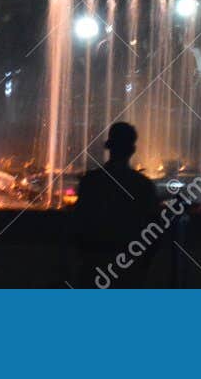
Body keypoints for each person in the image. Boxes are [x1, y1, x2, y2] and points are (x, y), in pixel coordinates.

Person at [72, 121, 164, 286]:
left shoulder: (90, 182)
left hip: (94, 266)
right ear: (132, 150)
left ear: (108, 146)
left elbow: (77, 225)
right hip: (129, 268)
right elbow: (154, 230)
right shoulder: (143, 185)